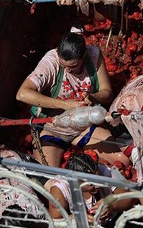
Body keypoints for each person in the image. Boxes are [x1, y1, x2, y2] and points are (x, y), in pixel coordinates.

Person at [15, 30, 113, 167]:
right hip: (53, 128)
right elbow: (22, 94)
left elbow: (107, 93)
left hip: (84, 125)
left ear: (83, 56)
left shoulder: (94, 55)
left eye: (72, 66)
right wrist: (65, 105)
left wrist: (93, 97)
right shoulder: (51, 61)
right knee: (48, 175)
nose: (67, 70)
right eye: (63, 66)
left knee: (121, 160)